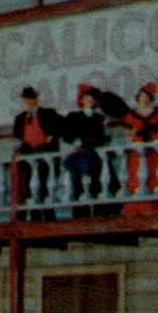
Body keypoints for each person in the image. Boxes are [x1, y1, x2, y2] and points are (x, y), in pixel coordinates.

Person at [12, 86, 61, 220]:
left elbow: (60, 127)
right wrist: (18, 150)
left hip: (45, 155)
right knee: (30, 188)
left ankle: (49, 217)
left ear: (36, 100)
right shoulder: (20, 118)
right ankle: (35, 217)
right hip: (28, 157)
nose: (29, 102)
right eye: (26, 100)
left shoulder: (48, 113)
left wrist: (52, 137)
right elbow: (17, 139)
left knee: (45, 186)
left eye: (32, 99)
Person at [61, 83, 110, 216]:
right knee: (79, 182)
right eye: (86, 98)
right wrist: (75, 141)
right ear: (81, 100)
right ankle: (80, 212)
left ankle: (100, 211)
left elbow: (104, 138)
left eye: (92, 98)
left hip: (94, 153)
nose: (89, 100)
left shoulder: (99, 118)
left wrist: (101, 136)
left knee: (97, 181)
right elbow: (66, 135)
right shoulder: (74, 116)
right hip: (80, 153)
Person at [121, 82, 158, 213]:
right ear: (138, 98)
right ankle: (137, 207)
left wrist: (155, 127)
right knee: (137, 174)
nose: (144, 99)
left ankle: (154, 207)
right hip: (138, 147)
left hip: (152, 147)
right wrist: (135, 131)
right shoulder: (131, 115)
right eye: (142, 96)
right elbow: (127, 132)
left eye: (147, 96)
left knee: (154, 174)